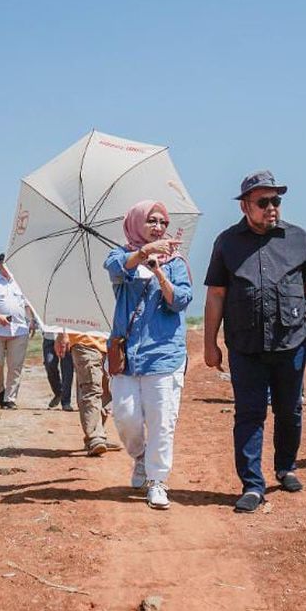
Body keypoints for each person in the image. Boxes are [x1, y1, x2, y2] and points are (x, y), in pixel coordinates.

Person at [204, 170, 306, 513]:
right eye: (263, 202)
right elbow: (216, 295)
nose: (271, 207)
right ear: (245, 206)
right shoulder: (226, 243)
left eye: (276, 200)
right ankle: (252, 484)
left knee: (289, 410)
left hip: (291, 341)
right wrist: (210, 343)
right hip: (245, 344)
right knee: (249, 414)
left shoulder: (298, 238)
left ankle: (286, 467)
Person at [104, 200, 192, 510]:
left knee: (161, 421)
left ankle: (157, 481)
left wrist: (160, 274)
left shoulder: (175, 262)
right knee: (125, 416)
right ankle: (140, 456)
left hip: (164, 353)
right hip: (127, 353)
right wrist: (144, 253)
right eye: (152, 220)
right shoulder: (121, 256)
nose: (158, 226)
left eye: (163, 222)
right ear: (136, 223)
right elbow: (115, 268)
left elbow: (181, 300)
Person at [0, 253, 36, 409]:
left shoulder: (22, 282)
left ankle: (10, 399)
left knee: (15, 366)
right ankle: (0, 390)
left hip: (19, 330)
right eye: (5, 264)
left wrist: (31, 321)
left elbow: (27, 305)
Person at [55, 330, 116, 455]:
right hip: (83, 342)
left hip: (109, 344)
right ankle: (95, 436)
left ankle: (97, 433)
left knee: (106, 391)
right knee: (91, 387)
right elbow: (61, 317)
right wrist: (62, 333)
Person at [41, 329, 75, 411]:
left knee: (67, 370)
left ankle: (66, 402)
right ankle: (58, 392)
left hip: (67, 337)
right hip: (49, 337)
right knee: (49, 363)